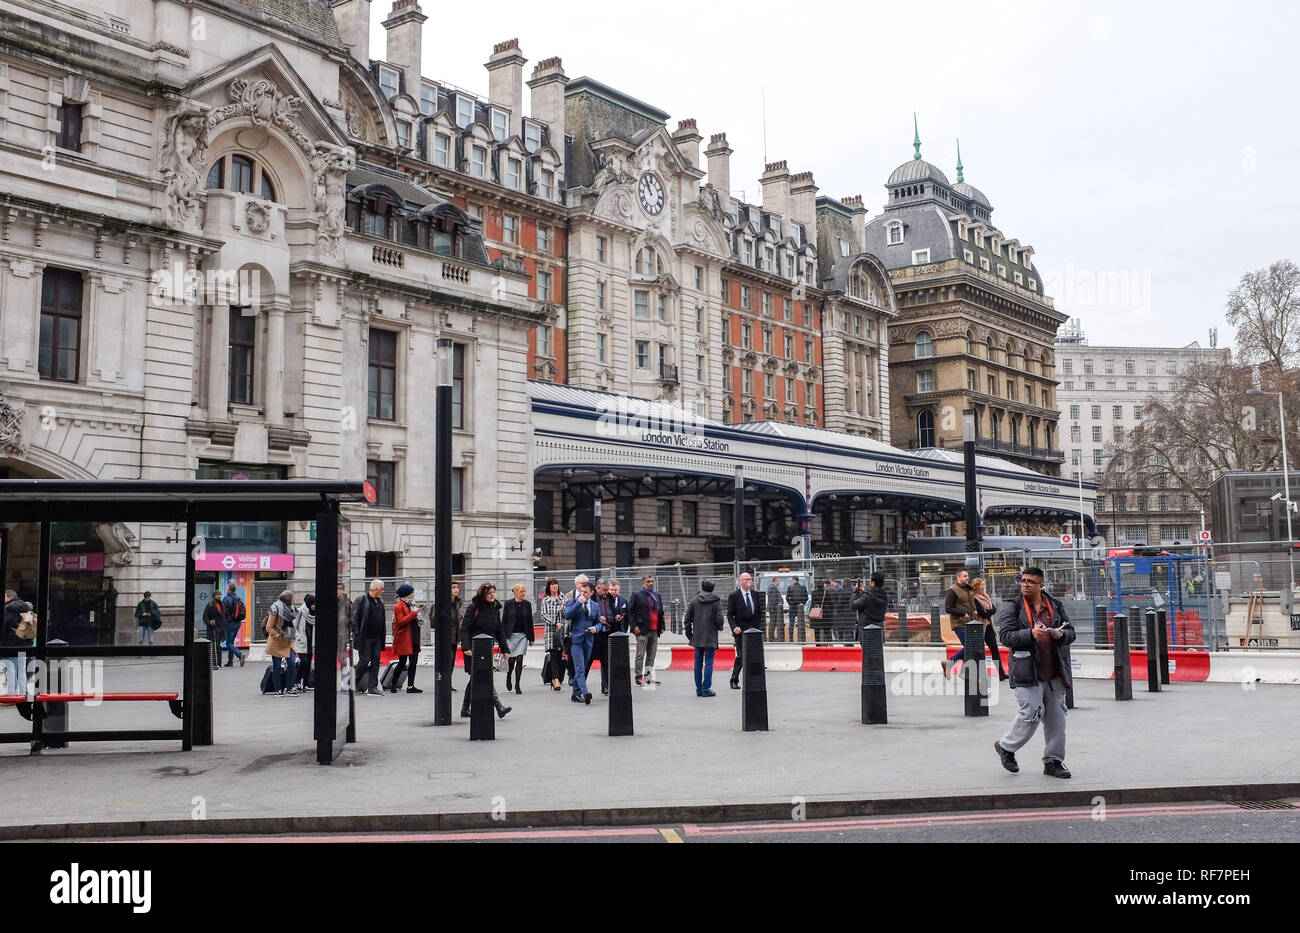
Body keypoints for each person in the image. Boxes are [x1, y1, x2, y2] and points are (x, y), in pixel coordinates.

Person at [994, 567, 1076, 779]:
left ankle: (1053, 761)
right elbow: (1005, 637)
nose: (1025, 584)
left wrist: (1062, 634)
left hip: (1055, 671)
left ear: (1041, 585)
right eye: (1023, 581)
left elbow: (1071, 632)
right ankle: (1006, 747)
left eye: (1030, 581)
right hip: (1026, 671)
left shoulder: (1055, 606)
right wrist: (1030, 634)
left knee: (1057, 720)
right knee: (1031, 712)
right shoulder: (1012, 607)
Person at [459, 583, 511, 719]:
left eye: (494, 592)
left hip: (486, 648)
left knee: (475, 678)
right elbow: (464, 628)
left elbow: (499, 630)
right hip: (473, 648)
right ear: (483, 594)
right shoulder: (473, 608)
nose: (492, 595)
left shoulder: (495, 608)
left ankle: (465, 709)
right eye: (489, 593)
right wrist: (466, 648)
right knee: (483, 677)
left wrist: (505, 649)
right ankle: (499, 706)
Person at [946, 578, 1007, 681]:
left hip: (988, 626)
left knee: (994, 649)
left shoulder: (985, 596)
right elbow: (983, 613)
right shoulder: (974, 598)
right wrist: (989, 612)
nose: (984, 587)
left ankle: (1001, 673)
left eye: (985, 584)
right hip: (978, 627)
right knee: (972, 650)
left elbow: (993, 609)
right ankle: (961, 669)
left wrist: (989, 612)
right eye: (982, 585)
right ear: (977, 587)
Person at [564, 580, 603, 704]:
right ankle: (585, 692)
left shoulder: (595, 606)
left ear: (592, 592)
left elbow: (599, 622)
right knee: (580, 668)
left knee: (584, 667)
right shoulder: (573, 602)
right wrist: (577, 604)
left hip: (589, 640)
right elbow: (567, 615)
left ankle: (575, 694)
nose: (582, 594)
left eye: (585, 592)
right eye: (581, 591)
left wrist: (596, 628)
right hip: (576, 640)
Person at [684, 579, 722, 696]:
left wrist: (690, 634)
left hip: (698, 636)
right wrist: (719, 627)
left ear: (702, 587)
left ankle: (699, 689)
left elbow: (687, 619)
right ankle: (706, 688)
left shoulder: (694, 600)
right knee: (709, 662)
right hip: (710, 636)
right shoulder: (716, 601)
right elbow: (719, 618)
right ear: (712, 588)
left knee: (697, 663)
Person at [627, 574, 666, 688]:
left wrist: (662, 626)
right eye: (648, 581)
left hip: (654, 631)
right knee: (640, 655)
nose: (651, 583)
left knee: (651, 656)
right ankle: (638, 678)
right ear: (643, 582)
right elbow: (630, 612)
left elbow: (661, 612)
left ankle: (648, 677)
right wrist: (634, 626)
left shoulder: (656, 596)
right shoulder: (637, 595)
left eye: (652, 581)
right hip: (642, 630)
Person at [727, 572, 764, 689]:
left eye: (750, 579)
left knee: (755, 655)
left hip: (754, 630)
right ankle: (734, 679)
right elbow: (729, 614)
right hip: (741, 630)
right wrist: (734, 627)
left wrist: (759, 627)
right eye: (746, 579)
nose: (749, 581)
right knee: (741, 656)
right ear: (741, 581)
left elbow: (759, 613)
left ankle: (753, 679)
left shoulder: (755, 594)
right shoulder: (734, 596)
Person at [351, 579, 387, 697]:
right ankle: (350, 684)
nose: (383, 591)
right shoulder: (362, 600)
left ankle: (373, 687)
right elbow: (354, 618)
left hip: (377, 638)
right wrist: (357, 633)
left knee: (376, 661)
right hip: (365, 637)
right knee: (364, 661)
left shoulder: (379, 602)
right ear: (375, 589)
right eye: (381, 589)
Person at [942, 569, 977, 677]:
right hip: (960, 623)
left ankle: (958, 669)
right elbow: (948, 608)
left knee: (971, 647)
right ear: (958, 578)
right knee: (970, 647)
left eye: (968, 576)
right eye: (965, 576)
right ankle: (953, 665)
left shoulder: (968, 588)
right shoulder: (952, 590)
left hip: (971, 623)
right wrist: (962, 613)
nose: (967, 578)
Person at [265, 590, 299, 696]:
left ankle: (289, 688)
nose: (294, 599)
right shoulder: (275, 608)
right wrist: (277, 635)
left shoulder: (292, 608)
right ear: (287, 598)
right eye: (292, 598)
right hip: (277, 642)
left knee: (292, 663)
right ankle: (278, 689)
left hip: (288, 640)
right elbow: (269, 627)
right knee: (277, 666)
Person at [501, 583, 534, 695]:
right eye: (521, 591)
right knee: (511, 659)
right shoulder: (508, 604)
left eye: (524, 591)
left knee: (519, 659)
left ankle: (517, 685)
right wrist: (502, 636)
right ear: (515, 592)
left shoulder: (527, 604)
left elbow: (530, 621)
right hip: (511, 635)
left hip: (523, 635)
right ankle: (509, 675)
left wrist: (531, 638)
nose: (523, 593)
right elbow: (504, 620)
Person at [390, 584, 422, 694]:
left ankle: (410, 686)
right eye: (412, 593)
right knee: (402, 662)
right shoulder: (398, 606)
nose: (413, 595)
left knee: (413, 662)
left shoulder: (413, 604)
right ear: (406, 595)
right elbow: (401, 621)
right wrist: (414, 613)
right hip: (404, 638)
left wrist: (416, 614)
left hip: (414, 636)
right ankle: (393, 684)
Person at [2, 590, 33, 695]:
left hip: (11, 644)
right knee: (21, 670)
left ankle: (12, 694)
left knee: (11, 670)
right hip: (25, 644)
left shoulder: (8, 609)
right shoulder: (26, 608)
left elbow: (3, 626)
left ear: (9, 597)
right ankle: (24, 693)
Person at [537, 578, 566, 691]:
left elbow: (568, 613)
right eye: (552, 585)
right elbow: (543, 615)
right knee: (553, 654)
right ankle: (555, 679)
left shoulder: (563, 599)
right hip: (550, 630)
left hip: (562, 630)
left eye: (556, 585)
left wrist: (562, 610)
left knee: (560, 655)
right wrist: (554, 622)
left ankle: (557, 678)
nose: (555, 587)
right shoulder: (545, 600)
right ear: (549, 587)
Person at [585, 579, 612, 694]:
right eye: (605, 590)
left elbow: (612, 611)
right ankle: (580, 686)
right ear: (598, 588)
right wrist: (598, 620)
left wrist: (612, 619)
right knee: (588, 661)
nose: (607, 592)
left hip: (606, 633)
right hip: (593, 634)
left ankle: (605, 686)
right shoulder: (591, 597)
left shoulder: (610, 598)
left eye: (608, 590)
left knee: (606, 661)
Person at [852, 573, 888, 640]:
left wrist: (855, 591)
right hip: (879, 631)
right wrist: (865, 592)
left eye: (870, 580)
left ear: (873, 583)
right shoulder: (884, 596)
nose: (869, 582)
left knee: (867, 650)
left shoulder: (867, 597)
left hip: (866, 632)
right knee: (877, 649)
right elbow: (873, 599)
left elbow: (853, 605)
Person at [293, 593, 316, 690]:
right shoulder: (300, 612)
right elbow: (294, 625)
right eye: (312, 604)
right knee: (305, 663)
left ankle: (305, 684)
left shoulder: (315, 614)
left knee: (308, 663)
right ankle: (297, 681)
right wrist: (298, 637)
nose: (314, 606)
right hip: (301, 642)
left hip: (311, 644)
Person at [221, 583, 246, 667]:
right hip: (237, 623)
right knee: (231, 642)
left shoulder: (226, 599)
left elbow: (223, 612)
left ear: (229, 590)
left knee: (229, 643)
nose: (225, 589)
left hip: (230, 623)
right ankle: (230, 662)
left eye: (226, 587)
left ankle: (240, 655)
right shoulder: (238, 599)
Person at [201, 593, 224, 670]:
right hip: (213, 629)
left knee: (218, 646)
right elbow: (204, 617)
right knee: (213, 647)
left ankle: (219, 663)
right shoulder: (210, 605)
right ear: (214, 596)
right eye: (217, 594)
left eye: (220, 594)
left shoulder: (222, 605)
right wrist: (210, 622)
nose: (219, 596)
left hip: (220, 628)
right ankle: (213, 664)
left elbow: (224, 617)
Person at [785, 575, 808, 643]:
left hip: (792, 608)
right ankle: (801, 638)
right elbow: (806, 597)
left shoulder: (790, 588)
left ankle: (791, 639)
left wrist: (791, 603)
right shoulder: (803, 587)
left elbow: (787, 598)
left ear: (794, 580)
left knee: (791, 623)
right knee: (801, 623)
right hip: (800, 608)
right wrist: (802, 604)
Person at [766, 577, 785, 642]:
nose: (779, 582)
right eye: (778, 581)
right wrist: (774, 608)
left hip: (774, 608)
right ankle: (771, 638)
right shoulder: (773, 588)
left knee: (773, 623)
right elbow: (773, 599)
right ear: (775, 581)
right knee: (773, 623)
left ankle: (772, 637)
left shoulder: (772, 587)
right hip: (774, 609)